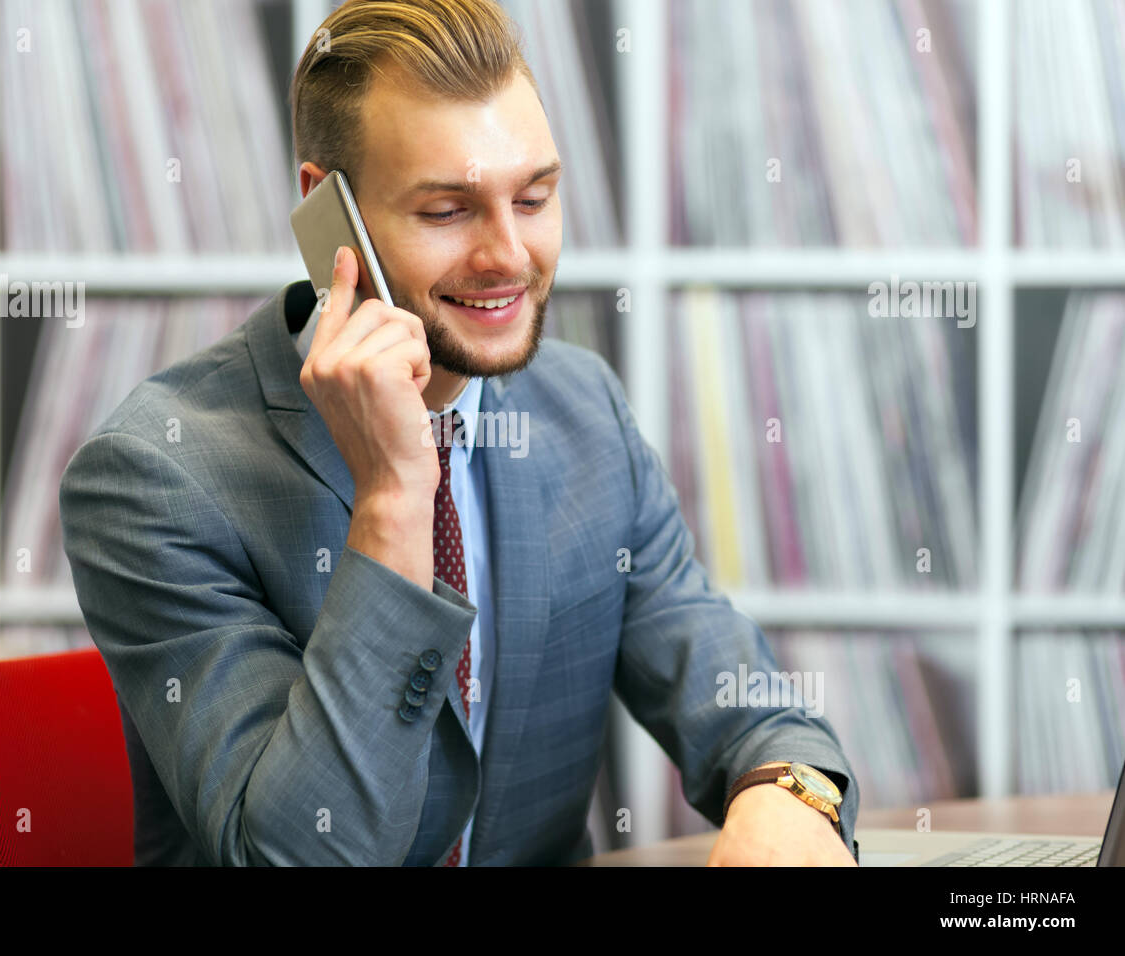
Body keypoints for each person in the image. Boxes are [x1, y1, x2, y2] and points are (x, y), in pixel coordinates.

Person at [59, 0, 859, 866]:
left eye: (535, 197)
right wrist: (396, 499)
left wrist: (788, 793)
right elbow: (296, 856)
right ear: (329, 215)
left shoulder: (581, 413)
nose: (509, 254)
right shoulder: (156, 476)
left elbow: (745, 701)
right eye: (448, 210)